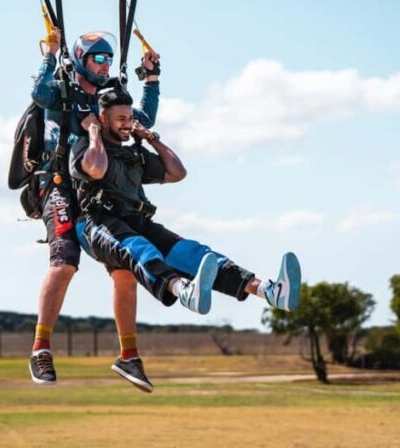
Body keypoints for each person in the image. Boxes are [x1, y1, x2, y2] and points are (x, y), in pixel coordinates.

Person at [69, 87, 302, 388]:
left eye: (130, 118)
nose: (127, 124)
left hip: (137, 220)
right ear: (102, 119)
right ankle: (182, 290)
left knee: (193, 253)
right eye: (121, 119)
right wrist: (94, 132)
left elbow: (177, 173)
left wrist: (151, 139)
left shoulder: (134, 153)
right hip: (97, 223)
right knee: (138, 249)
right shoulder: (84, 147)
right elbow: (96, 170)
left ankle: (267, 290)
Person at [28, 27, 161, 390]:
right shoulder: (60, 92)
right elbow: (38, 94)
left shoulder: (106, 98)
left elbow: (139, 121)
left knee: (124, 270)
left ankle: (128, 356)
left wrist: (151, 78)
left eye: (107, 58)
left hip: (96, 191)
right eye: (97, 59)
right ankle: (41, 348)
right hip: (57, 185)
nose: (104, 66)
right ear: (81, 60)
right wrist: (50, 53)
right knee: (65, 260)